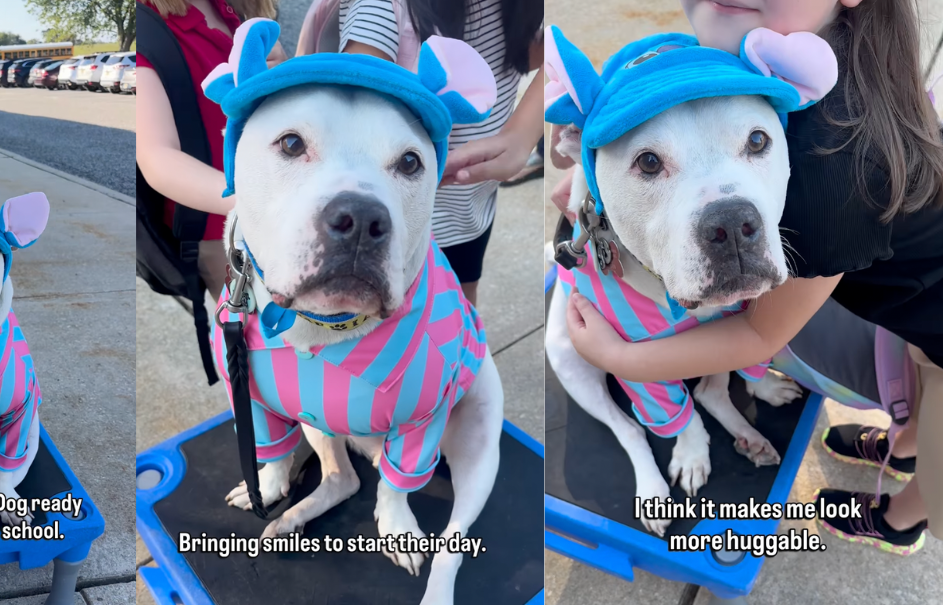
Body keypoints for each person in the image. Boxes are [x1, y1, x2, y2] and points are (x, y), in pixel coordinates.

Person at [559, 0, 943, 555]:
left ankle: (903, 518)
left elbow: (762, 335)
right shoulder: (811, 59)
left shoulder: (834, 173)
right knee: (925, 386)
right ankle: (902, 447)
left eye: (758, 142)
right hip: (915, 298)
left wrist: (619, 360)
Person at [335, 0, 545, 305]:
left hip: (470, 210)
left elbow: (543, 51)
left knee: (461, 303)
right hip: (385, 227)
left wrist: (522, 135)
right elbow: (351, 138)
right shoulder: (380, 9)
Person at [137, 0, 287, 300]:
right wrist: (264, 204)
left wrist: (283, 72)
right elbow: (157, 157)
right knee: (267, 336)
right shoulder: (148, 31)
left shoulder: (234, 8)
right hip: (225, 231)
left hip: (283, 204)